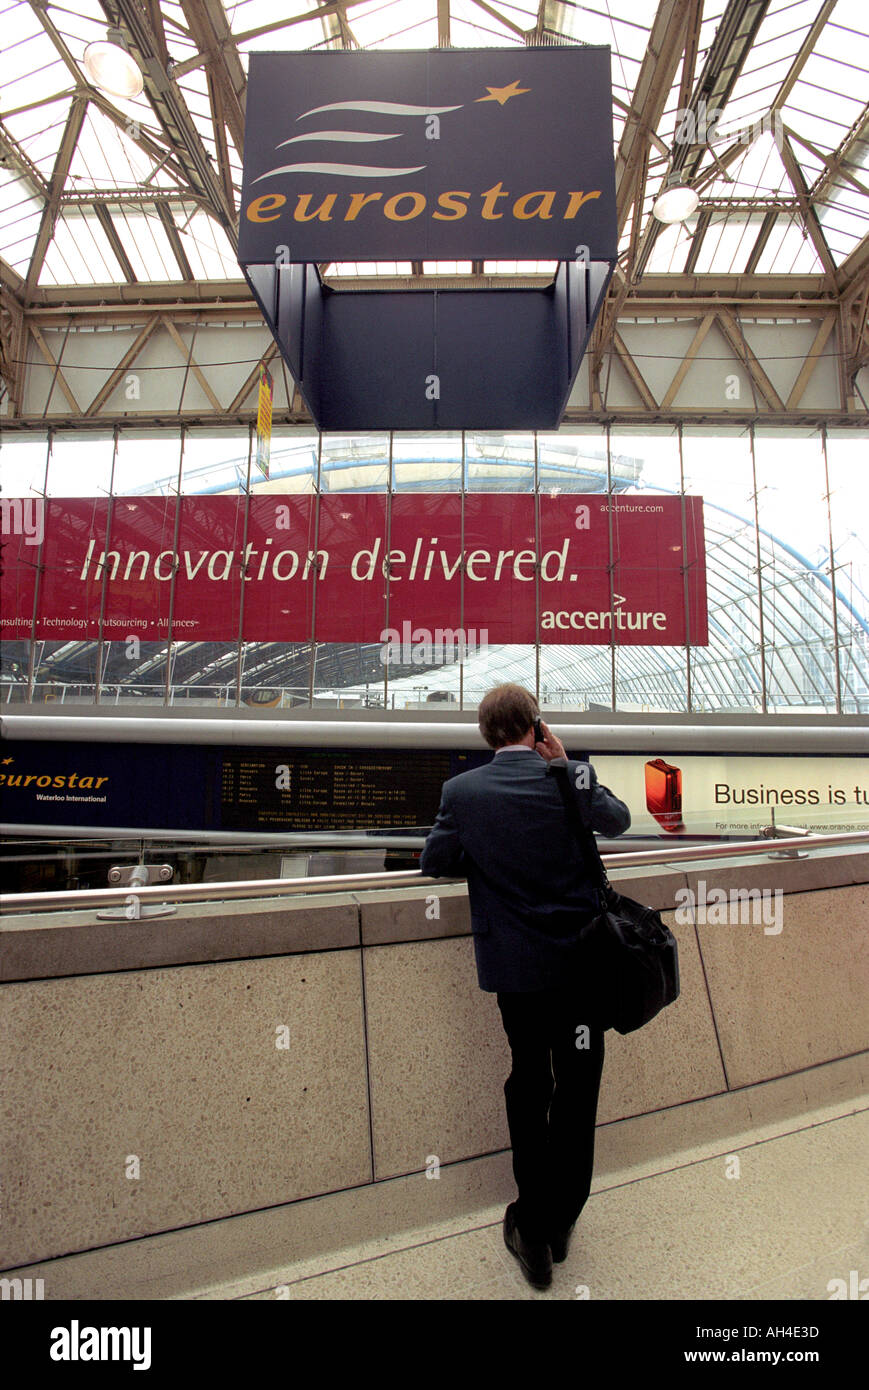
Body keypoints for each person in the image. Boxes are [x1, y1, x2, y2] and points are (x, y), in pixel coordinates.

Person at [419, 682, 631, 1290]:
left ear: (487, 735)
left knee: (530, 1079)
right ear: (536, 727)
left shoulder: (463, 793)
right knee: (580, 1081)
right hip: (584, 969)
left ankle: (531, 1231)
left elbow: (435, 860)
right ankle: (561, 1221)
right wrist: (564, 766)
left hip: (518, 972)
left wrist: (488, 856)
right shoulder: (571, 777)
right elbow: (615, 823)